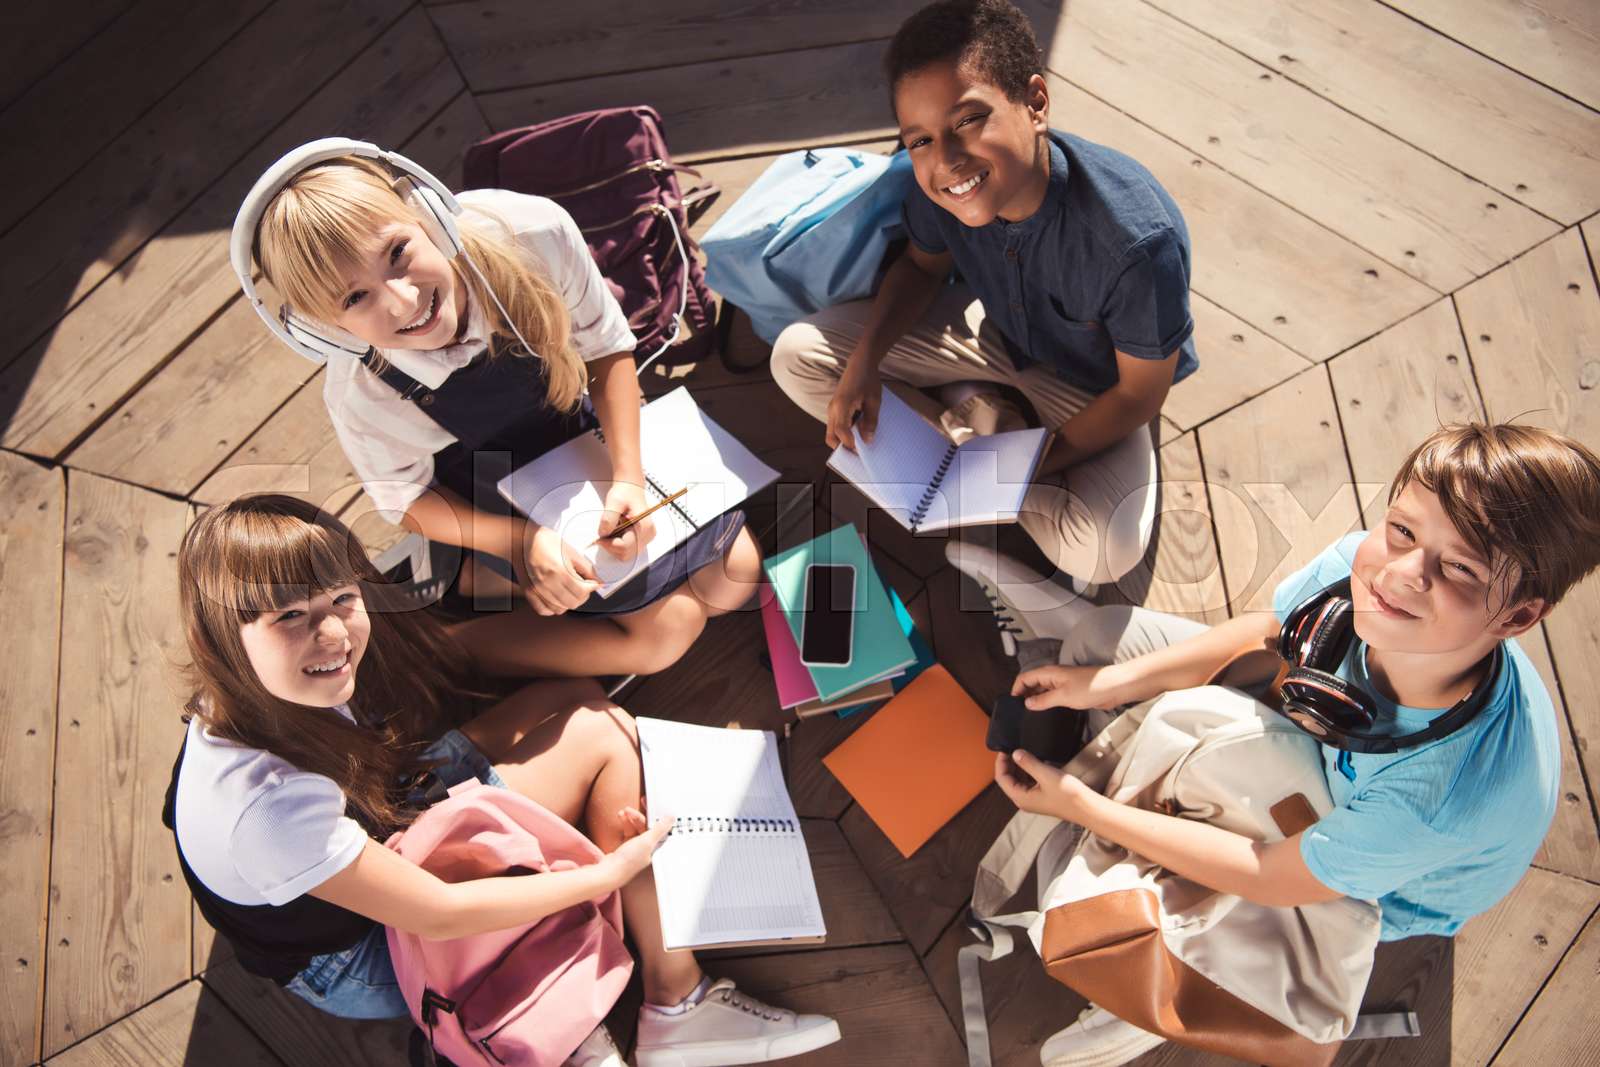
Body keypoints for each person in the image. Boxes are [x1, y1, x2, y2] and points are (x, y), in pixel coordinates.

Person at [974, 423, 1599, 1065]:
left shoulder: (1442, 796)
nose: (1400, 573)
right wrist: (1104, 683)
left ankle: (1164, 995)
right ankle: (1112, 756)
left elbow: (1272, 878)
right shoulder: (1369, 566)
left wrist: (1082, 807)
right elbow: (1274, 631)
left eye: (1460, 566)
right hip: (1317, 759)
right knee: (1098, 642)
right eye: (1404, 530)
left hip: (1361, 885)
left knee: (1069, 876)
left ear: (1520, 616)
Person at [162, 494, 841, 1066]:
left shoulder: (253, 688)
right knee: (598, 747)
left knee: (583, 708)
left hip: (362, 844)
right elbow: (435, 909)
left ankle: (604, 996)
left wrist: (609, 632)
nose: (335, 634)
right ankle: (600, 1013)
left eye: (343, 596)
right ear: (224, 635)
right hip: (351, 956)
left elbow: (440, 656)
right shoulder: (267, 806)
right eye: (290, 616)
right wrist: (607, 874)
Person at [235, 139, 762, 678]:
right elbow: (406, 501)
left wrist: (627, 476)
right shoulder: (359, 395)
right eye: (354, 299)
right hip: (479, 495)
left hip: (572, 423)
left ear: (431, 213)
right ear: (326, 332)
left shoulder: (533, 233)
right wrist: (518, 542)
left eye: (397, 253)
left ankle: (477, 582)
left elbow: (606, 347)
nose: (404, 302)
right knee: (664, 636)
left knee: (736, 576)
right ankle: (451, 640)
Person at [769, 0, 1197, 592]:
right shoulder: (939, 181)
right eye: (919, 139)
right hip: (990, 335)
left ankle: (972, 435)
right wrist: (863, 367)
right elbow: (921, 269)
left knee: (1104, 551)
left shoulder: (1135, 243)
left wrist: (1020, 466)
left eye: (969, 120)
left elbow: (1137, 396)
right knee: (797, 355)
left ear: (1036, 103)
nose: (944, 160)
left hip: (1095, 392)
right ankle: (975, 425)